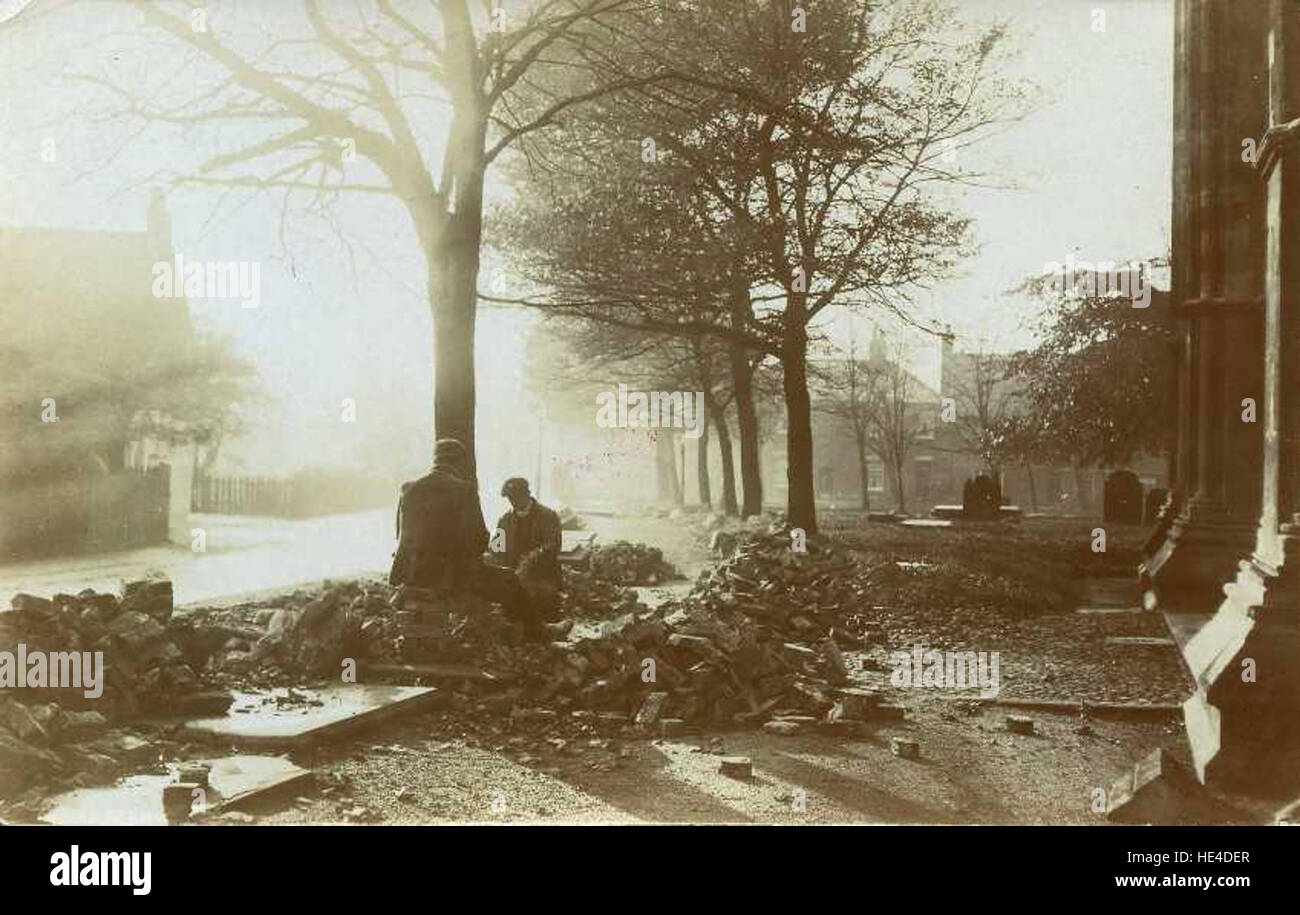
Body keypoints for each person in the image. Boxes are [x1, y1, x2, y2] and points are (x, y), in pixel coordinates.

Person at [389, 439, 546, 639]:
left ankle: (516, 630)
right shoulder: (465, 490)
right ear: (461, 463)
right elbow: (478, 540)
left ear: (435, 459)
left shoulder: (408, 490)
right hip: (449, 577)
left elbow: (400, 535)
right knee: (509, 580)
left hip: (411, 574)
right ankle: (538, 633)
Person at [493, 477, 563, 619]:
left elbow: (552, 545)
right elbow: (497, 548)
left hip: (543, 576)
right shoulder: (505, 520)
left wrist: (531, 559)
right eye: (510, 498)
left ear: (527, 494)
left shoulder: (548, 516)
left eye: (516, 497)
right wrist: (491, 557)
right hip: (514, 575)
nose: (513, 502)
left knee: (541, 607)